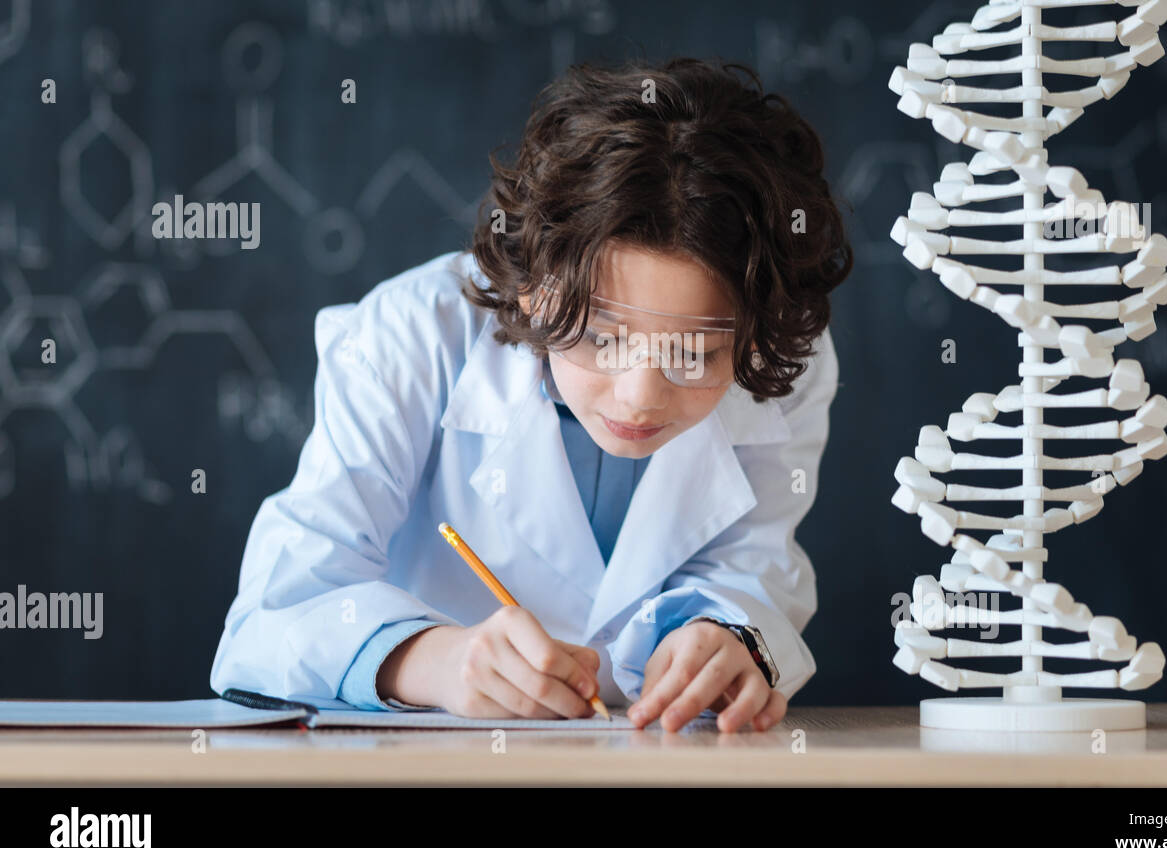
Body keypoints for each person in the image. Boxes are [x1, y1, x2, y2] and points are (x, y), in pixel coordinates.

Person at [210, 56, 852, 733]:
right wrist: (436, 662)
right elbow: (266, 621)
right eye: (602, 337)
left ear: (752, 337)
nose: (639, 398)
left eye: (693, 353)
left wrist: (730, 634)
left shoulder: (781, 362)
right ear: (535, 290)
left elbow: (753, 564)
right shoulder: (407, 339)